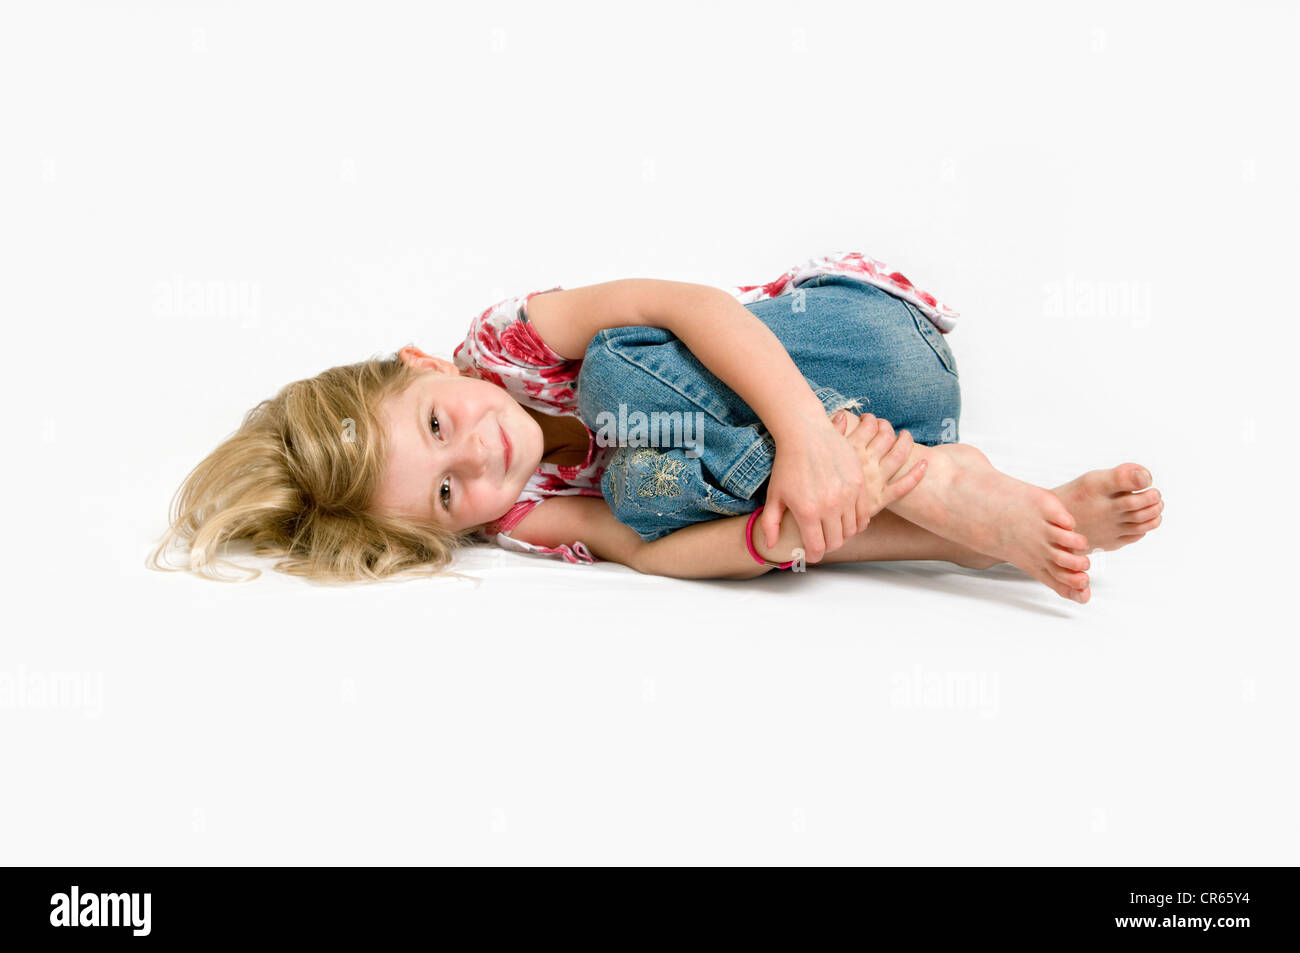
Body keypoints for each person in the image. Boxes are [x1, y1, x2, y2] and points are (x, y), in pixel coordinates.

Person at [151, 252, 1163, 602]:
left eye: (436, 422)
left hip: (865, 346)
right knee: (652, 500)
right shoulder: (524, 519)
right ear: (451, 530)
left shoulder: (506, 341)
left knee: (614, 373)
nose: (479, 451)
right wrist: (772, 537)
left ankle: (941, 484)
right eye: (448, 491)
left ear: (425, 363)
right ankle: (988, 521)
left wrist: (811, 438)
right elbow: (646, 552)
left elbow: (695, 308)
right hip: (885, 447)